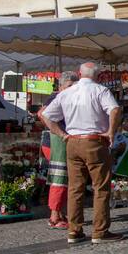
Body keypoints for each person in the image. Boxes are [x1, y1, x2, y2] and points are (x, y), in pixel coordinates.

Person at [41, 61, 122, 243]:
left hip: (72, 142)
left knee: (75, 188)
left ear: (79, 73)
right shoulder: (101, 91)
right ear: (98, 76)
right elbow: (115, 109)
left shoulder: (67, 92)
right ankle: (100, 232)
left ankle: (74, 230)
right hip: (94, 142)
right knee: (100, 188)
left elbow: (46, 116)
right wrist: (110, 131)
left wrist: (62, 134)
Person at [40, 71, 78, 229]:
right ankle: (54, 214)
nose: (72, 88)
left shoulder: (69, 97)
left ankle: (60, 212)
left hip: (64, 139)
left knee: (66, 178)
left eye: (74, 86)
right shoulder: (56, 97)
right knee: (59, 177)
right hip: (58, 140)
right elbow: (42, 114)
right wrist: (59, 131)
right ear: (61, 86)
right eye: (69, 86)